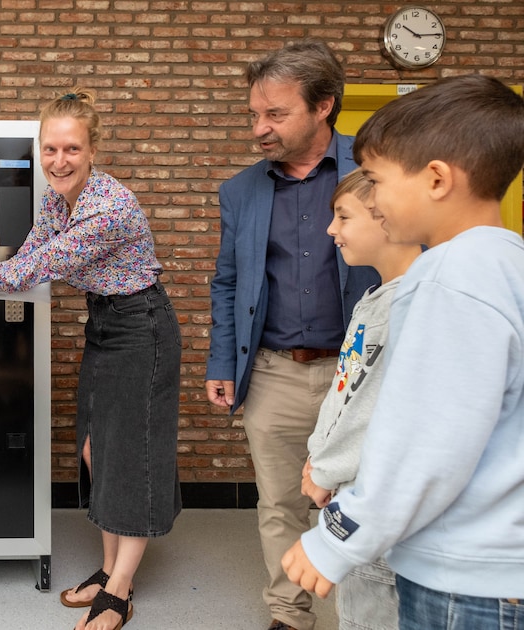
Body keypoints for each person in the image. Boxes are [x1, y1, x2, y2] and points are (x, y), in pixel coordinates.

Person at [0, 88, 182, 630]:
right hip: (105, 324)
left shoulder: (110, 208)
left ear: (93, 149)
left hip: (141, 328)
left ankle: (120, 592)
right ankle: (109, 571)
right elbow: (26, 256)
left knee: (126, 454)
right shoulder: (57, 200)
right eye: (50, 149)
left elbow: (32, 272)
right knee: (92, 449)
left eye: (72, 150)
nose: (59, 161)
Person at [282, 74, 524, 630]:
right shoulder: (501, 261)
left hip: (464, 582)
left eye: (378, 178)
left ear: (437, 179)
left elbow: (426, 438)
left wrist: (338, 539)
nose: (374, 197)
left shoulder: (450, 278)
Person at [205, 40, 380, 630]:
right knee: (279, 502)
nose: (260, 128)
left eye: (275, 114)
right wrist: (222, 363)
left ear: (324, 105)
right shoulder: (241, 191)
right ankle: (288, 614)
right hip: (275, 371)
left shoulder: (378, 168)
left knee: (363, 501)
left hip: (361, 373)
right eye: (254, 114)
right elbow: (227, 283)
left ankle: (363, 614)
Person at [299, 169, 419, 630]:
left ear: (383, 217)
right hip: (349, 492)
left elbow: (373, 411)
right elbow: (346, 393)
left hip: (374, 510)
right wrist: (318, 457)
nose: (331, 229)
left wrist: (325, 469)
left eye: (343, 216)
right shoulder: (376, 298)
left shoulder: (403, 307)